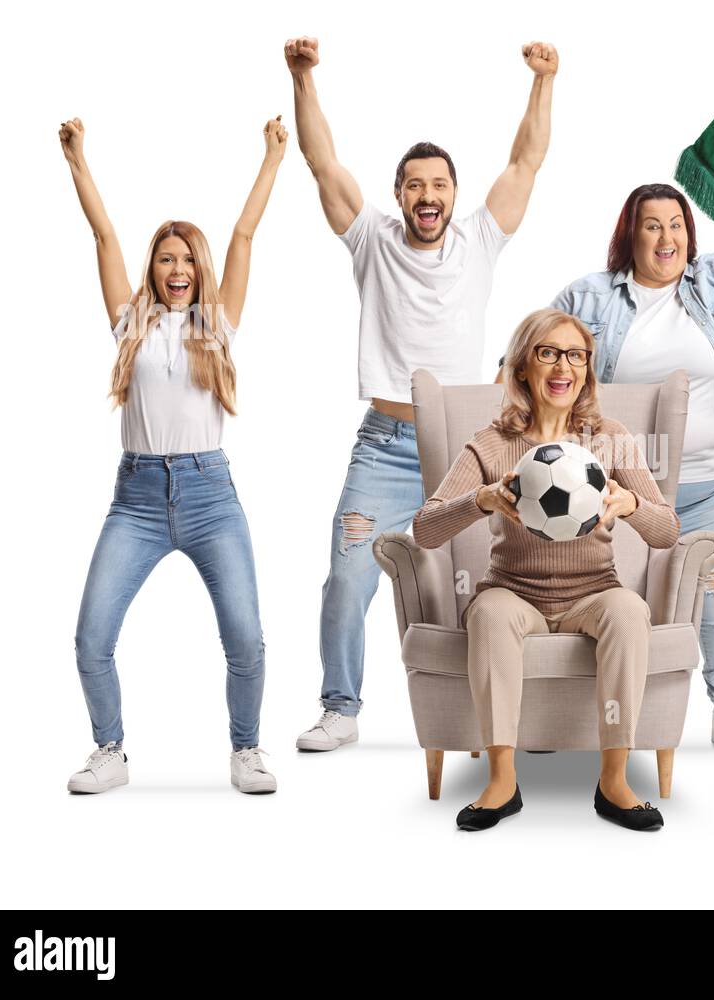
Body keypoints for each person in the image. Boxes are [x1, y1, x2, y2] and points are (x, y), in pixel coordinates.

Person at [283, 36, 560, 751]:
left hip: (463, 443)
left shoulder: (480, 240)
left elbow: (526, 160)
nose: (427, 195)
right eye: (414, 184)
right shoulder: (371, 238)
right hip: (384, 447)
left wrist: (544, 81)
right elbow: (321, 162)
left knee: (491, 582)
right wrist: (303, 77)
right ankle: (340, 708)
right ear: (399, 193)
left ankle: (494, 712)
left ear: (453, 195)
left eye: (439, 185)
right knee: (348, 576)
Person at [541, 147, 714, 753]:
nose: (666, 237)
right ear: (629, 236)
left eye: (677, 224)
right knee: (597, 604)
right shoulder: (588, 299)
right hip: (615, 493)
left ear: (690, 233)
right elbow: (526, 359)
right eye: (651, 225)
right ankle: (569, 713)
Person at [59, 114, 286, 794]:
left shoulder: (215, 326)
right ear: (153, 270)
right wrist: (77, 157)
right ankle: (110, 751)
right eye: (166, 257)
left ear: (200, 269)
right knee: (90, 636)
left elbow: (245, 234)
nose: (178, 268)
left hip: (210, 494)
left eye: (188, 258)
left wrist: (272, 156)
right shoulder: (131, 325)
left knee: (245, 637)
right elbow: (103, 234)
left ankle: (246, 750)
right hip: (136, 501)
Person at [413, 309, 680, 831]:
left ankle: (614, 780)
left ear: (587, 369)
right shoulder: (490, 443)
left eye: (576, 355)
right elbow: (424, 530)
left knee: (629, 611)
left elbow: (667, 531)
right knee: (487, 613)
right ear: (522, 369)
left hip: (594, 591)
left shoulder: (611, 439)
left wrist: (631, 506)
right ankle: (502, 781)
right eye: (548, 353)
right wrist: (482, 498)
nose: (564, 367)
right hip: (513, 591)